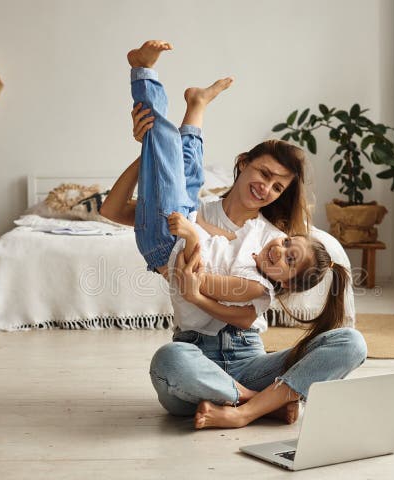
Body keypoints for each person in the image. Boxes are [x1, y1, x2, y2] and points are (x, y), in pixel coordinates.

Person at [102, 40, 367, 430]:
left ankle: (244, 409)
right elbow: (111, 210)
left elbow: (236, 296)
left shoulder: (274, 239)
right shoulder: (195, 212)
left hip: (252, 361)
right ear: (242, 165)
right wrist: (148, 154)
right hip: (193, 357)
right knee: (168, 361)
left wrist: (193, 258)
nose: (267, 189)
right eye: (263, 174)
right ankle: (266, 402)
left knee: (351, 343)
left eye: (278, 188)